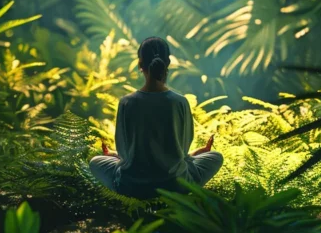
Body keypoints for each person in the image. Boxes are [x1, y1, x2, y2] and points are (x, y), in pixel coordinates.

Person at [88, 36, 224, 199]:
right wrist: (195, 154)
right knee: (216, 157)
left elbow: (123, 152)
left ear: (140, 65)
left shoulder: (127, 102)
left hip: (132, 185)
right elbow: (183, 148)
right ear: (168, 63)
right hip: (175, 184)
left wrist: (114, 155)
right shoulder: (180, 102)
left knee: (95, 162)